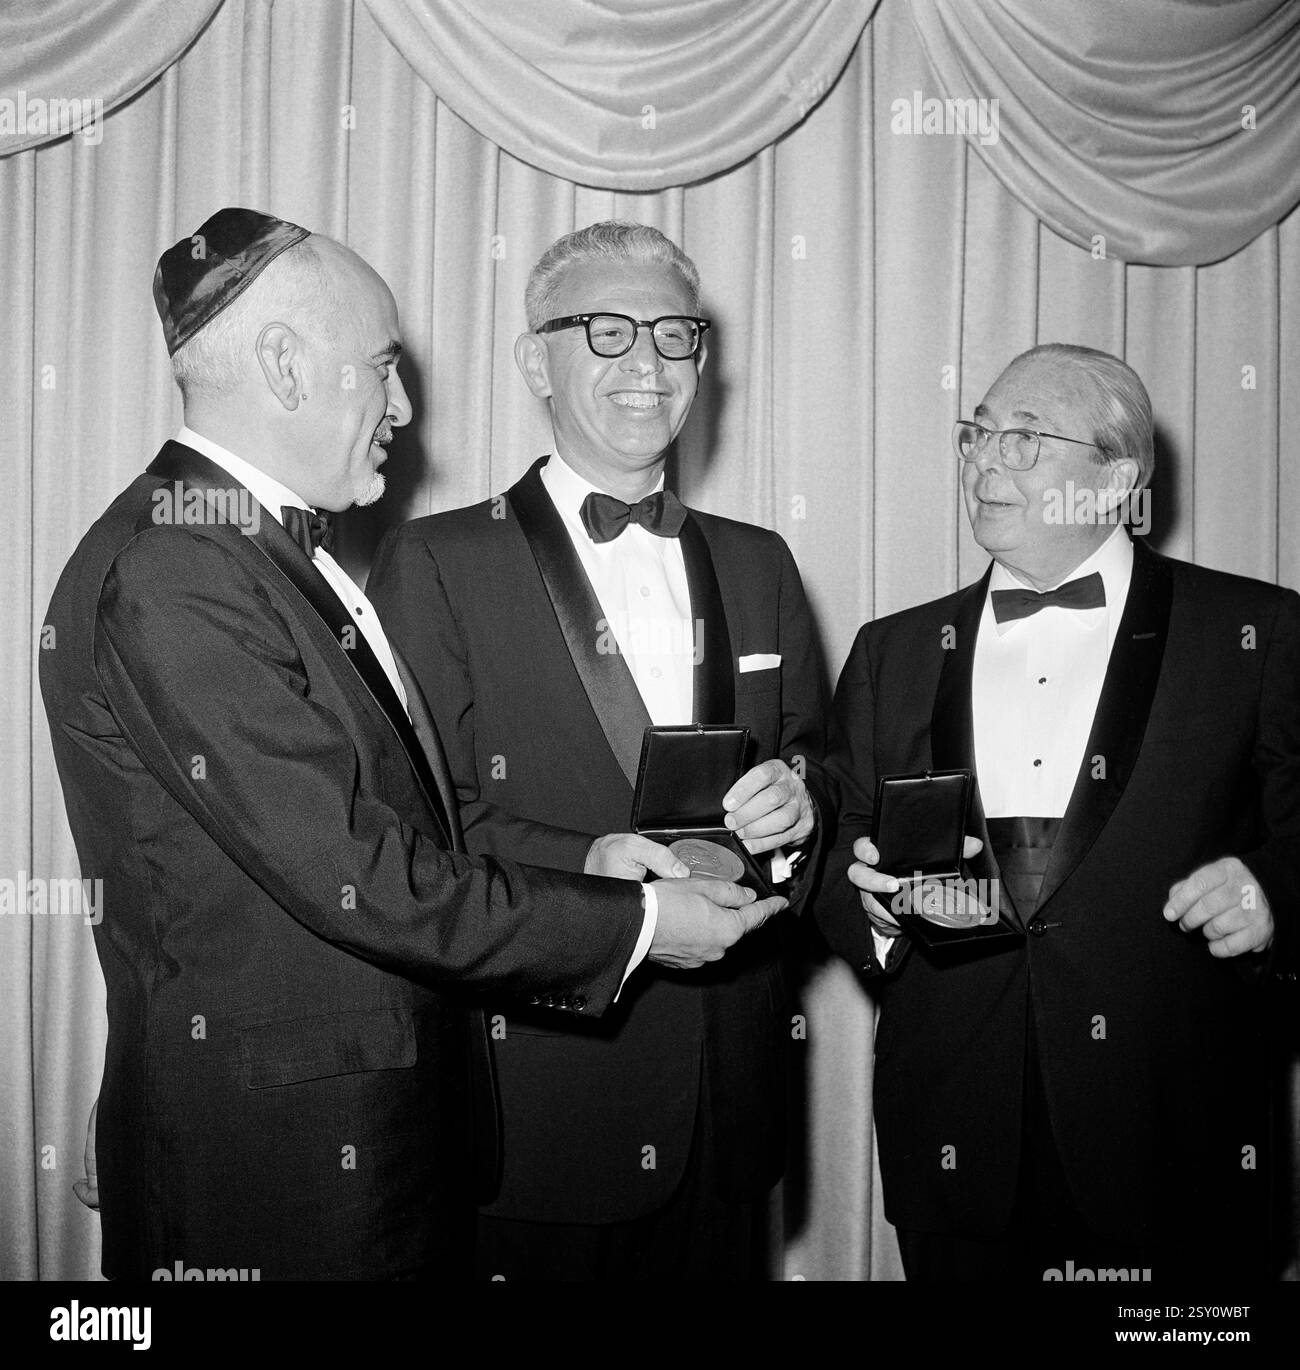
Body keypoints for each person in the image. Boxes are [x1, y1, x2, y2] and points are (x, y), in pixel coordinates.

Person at [39, 208, 784, 1282]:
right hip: (286, 1176)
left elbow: (389, 836)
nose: (404, 405)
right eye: (381, 370)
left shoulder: (246, 551)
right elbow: (357, 876)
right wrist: (638, 920)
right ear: (287, 366)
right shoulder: (179, 565)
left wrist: (587, 863)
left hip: (353, 1151)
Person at [368, 221, 832, 1280]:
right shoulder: (436, 559)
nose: (648, 363)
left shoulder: (759, 560)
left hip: (729, 1100)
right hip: (543, 1105)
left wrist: (801, 802)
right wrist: (590, 874)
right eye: (609, 330)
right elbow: (412, 832)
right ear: (537, 358)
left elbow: (822, 761)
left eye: (675, 335)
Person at [815, 343, 1298, 1282]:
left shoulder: (1258, 634)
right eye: (977, 435)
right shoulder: (893, 650)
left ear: (1117, 478)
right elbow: (834, 844)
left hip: (1176, 1142)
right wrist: (868, 910)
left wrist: (1274, 889)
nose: (985, 461)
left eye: (1025, 439)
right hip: (956, 1145)